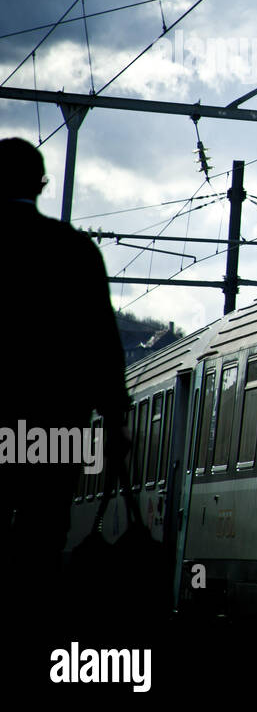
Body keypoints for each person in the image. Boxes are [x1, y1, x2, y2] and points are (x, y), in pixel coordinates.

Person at [0, 136, 129, 613]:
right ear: (42, 184)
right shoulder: (75, 251)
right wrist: (115, 420)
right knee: (42, 538)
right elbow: (103, 342)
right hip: (56, 429)